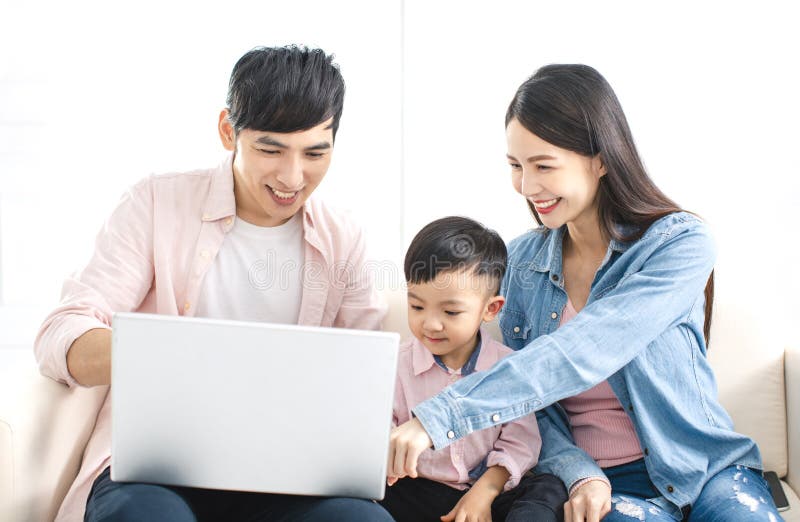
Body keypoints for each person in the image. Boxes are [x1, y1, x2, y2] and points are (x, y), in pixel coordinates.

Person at [386, 64, 783, 521]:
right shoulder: (519, 265)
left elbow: (585, 348)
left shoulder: (679, 243)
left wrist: (438, 418)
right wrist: (580, 473)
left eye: (543, 166)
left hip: (705, 468)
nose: (527, 187)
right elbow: (531, 406)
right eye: (516, 166)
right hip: (604, 485)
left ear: (601, 159)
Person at [34, 45, 392, 522]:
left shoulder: (343, 235)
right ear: (229, 131)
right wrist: (163, 354)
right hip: (158, 469)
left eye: (314, 154)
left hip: (294, 475)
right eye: (270, 149)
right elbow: (62, 332)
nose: (292, 176)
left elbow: (365, 374)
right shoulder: (156, 202)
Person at [381, 216, 567, 522]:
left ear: (490, 309)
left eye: (450, 311)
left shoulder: (508, 368)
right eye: (416, 307)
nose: (430, 323)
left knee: (548, 489)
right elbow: (380, 434)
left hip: (490, 493)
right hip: (419, 490)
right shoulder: (395, 366)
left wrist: (485, 491)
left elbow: (520, 443)